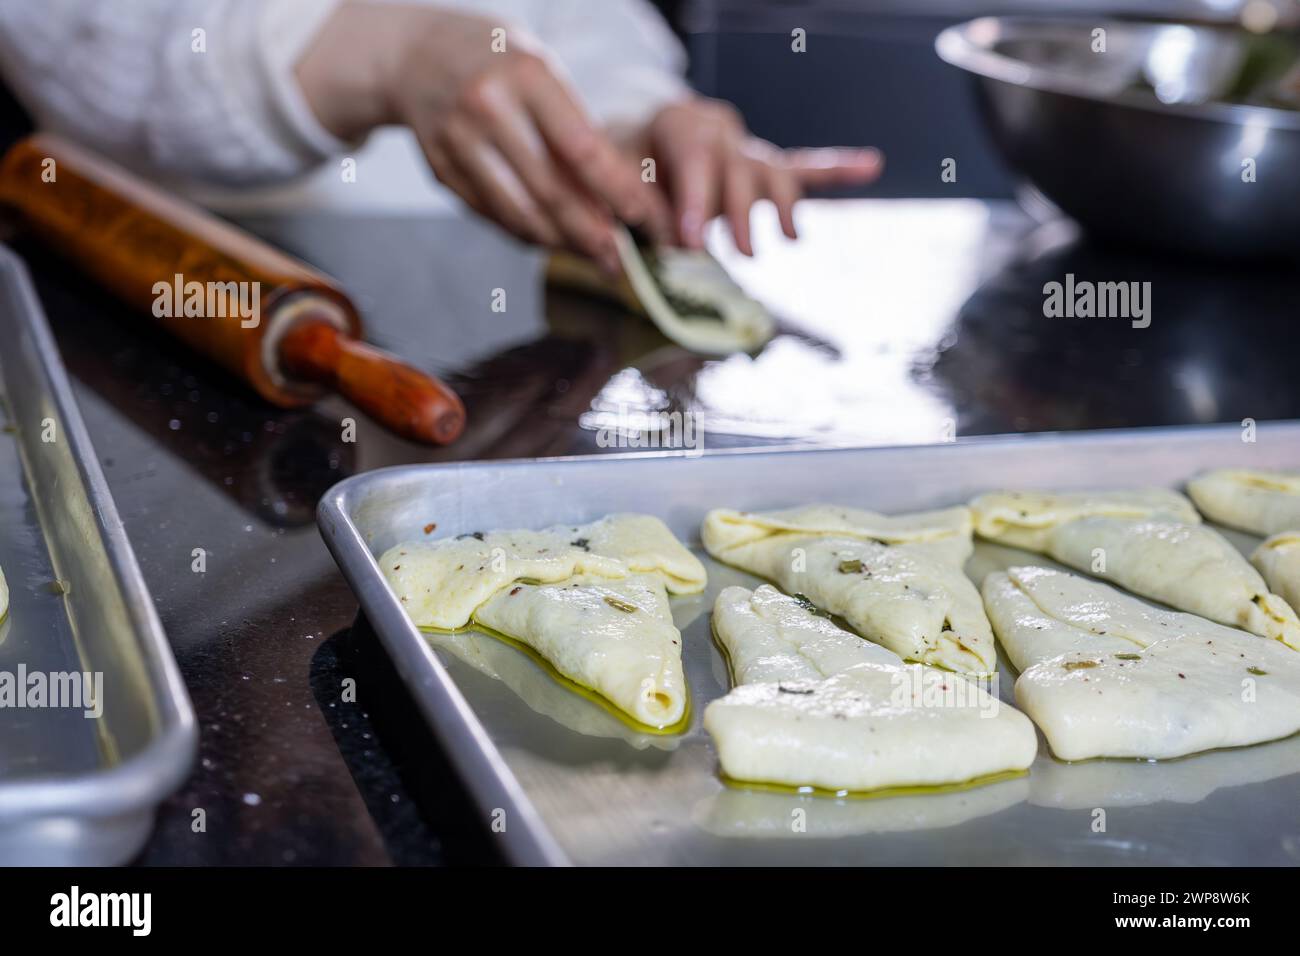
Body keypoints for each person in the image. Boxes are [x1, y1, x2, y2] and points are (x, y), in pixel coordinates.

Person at [0, 0, 881, 272]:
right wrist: (389, 50)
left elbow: (578, 21)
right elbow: (74, 35)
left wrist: (630, 117)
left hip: (493, 357)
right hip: (168, 307)